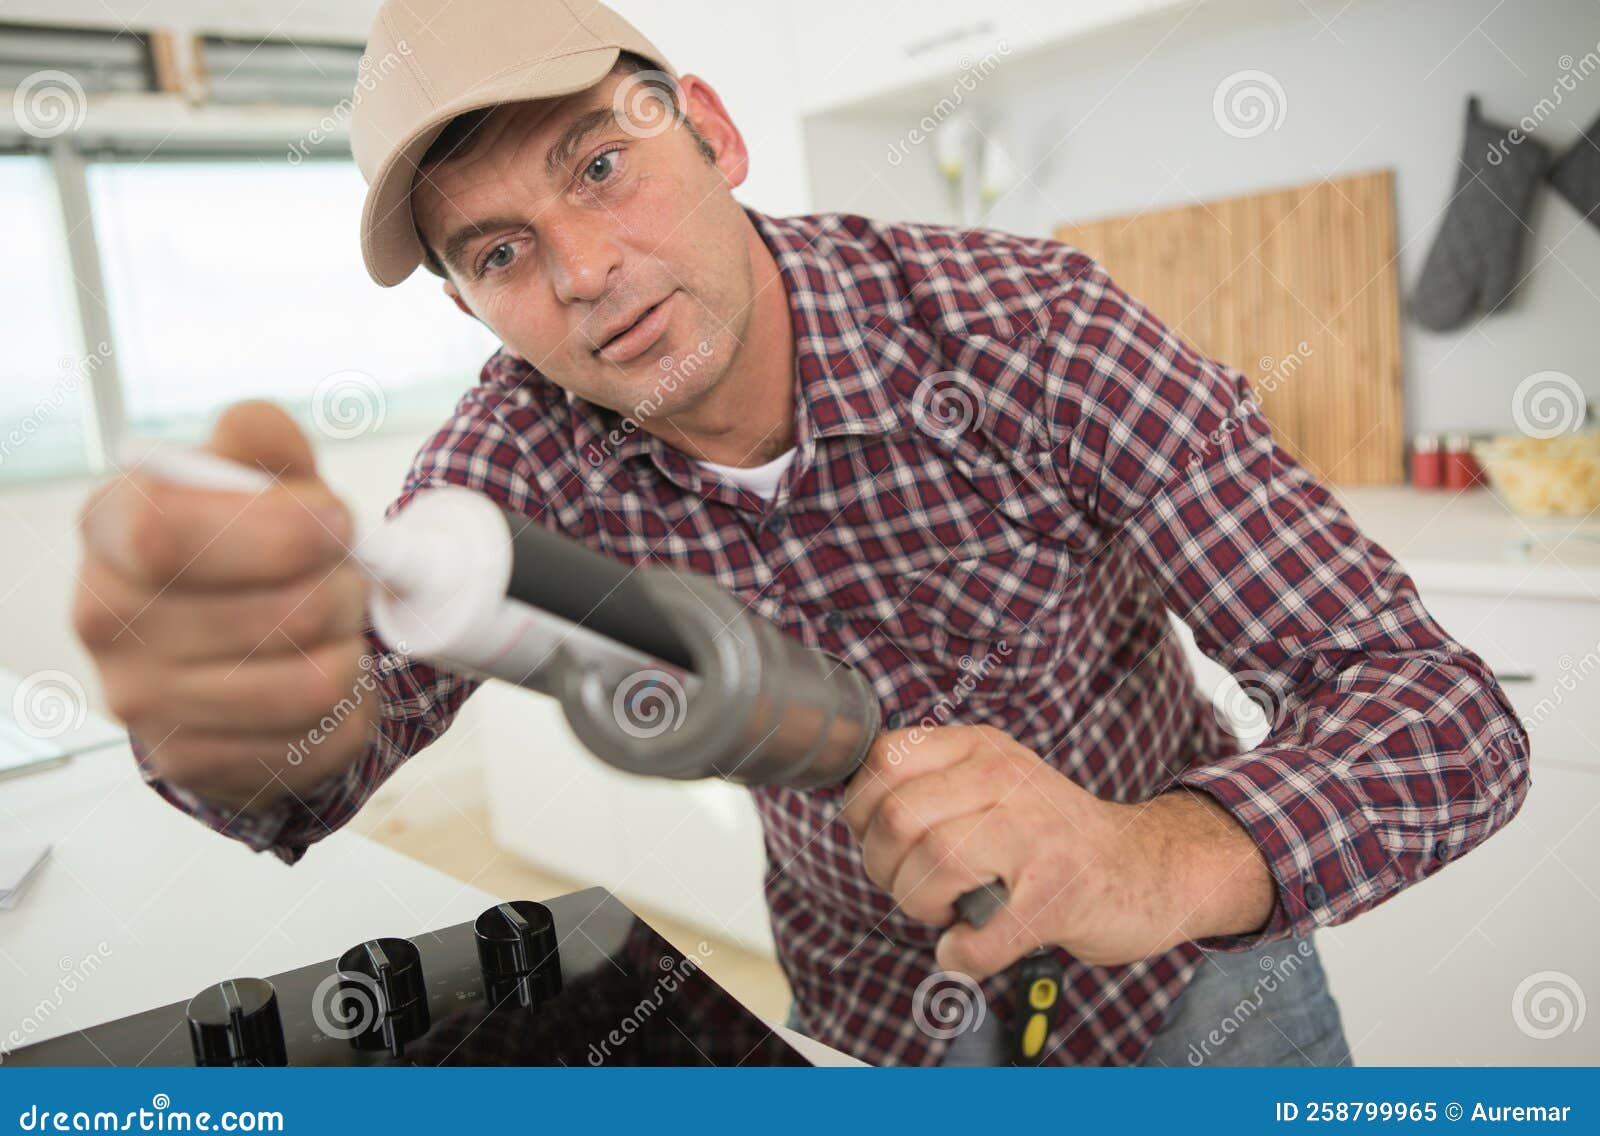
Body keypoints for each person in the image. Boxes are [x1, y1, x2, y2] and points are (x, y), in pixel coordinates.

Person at [72, 0, 1529, 1067]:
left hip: (1206, 998)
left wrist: (1149, 859)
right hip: (892, 1022)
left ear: (709, 128)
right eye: (499, 252)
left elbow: (1441, 712)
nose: (582, 272)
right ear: (470, 310)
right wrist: (257, 718)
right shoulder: (510, 462)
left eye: (596, 165)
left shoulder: (1036, 332)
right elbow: (332, 746)